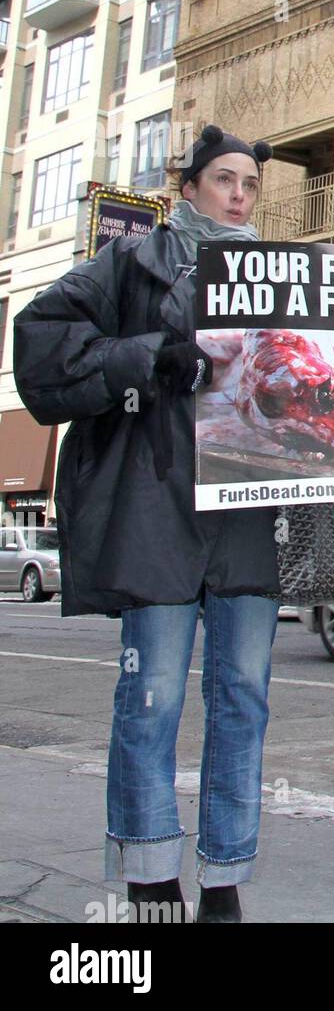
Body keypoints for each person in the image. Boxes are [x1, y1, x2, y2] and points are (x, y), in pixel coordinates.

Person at [14, 125, 279, 923]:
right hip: (158, 507)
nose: (238, 194)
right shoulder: (131, 263)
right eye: (224, 179)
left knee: (243, 696)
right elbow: (40, 344)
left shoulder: (282, 278)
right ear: (190, 187)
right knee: (154, 695)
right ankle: (152, 872)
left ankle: (225, 879)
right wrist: (146, 357)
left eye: (250, 185)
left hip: (249, 515)